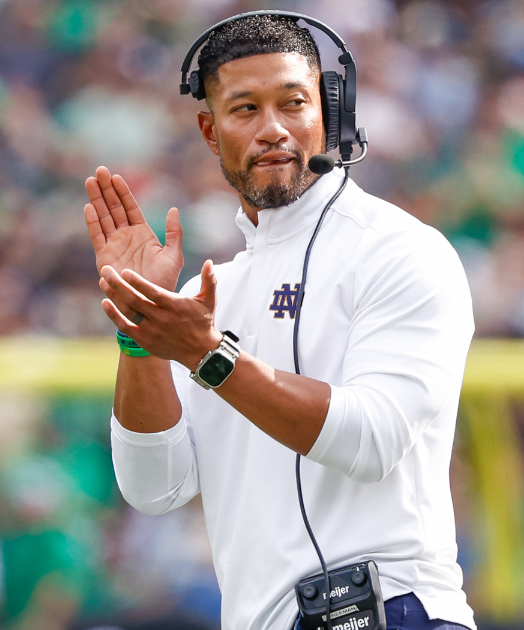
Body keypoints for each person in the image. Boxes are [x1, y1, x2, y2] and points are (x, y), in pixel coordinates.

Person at [82, 13, 475, 630]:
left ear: (330, 112)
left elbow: (371, 441)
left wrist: (211, 356)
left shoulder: (402, 250)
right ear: (210, 132)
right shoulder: (213, 294)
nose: (272, 129)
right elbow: (154, 486)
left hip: (391, 611)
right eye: (244, 110)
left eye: (293, 103)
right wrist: (141, 333)